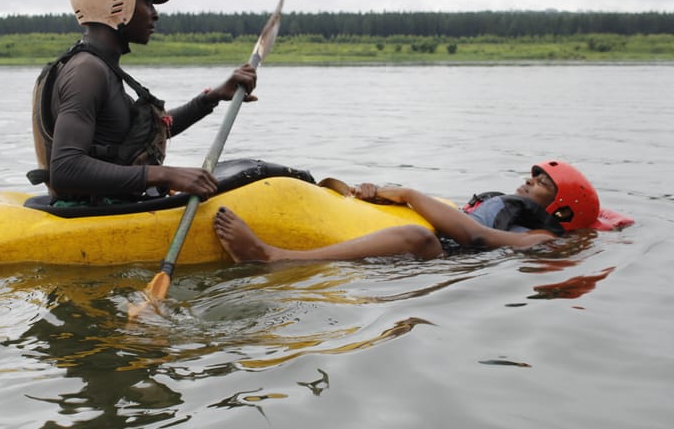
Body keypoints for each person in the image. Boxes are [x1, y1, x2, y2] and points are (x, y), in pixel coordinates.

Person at [30, 0, 257, 203]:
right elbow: (66, 169)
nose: (154, 14)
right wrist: (164, 175)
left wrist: (211, 98)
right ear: (118, 5)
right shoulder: (87, 71)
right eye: (147, 2)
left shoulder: (101, 66)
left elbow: (144, 136)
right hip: (95, 213)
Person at [213, 160, 615, 263]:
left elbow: (478, 238)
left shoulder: (544, 237)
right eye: (532, 175)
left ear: (561, 211)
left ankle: (273, 256)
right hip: (427, 241)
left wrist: (405, 192)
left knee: (419, 238)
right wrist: (374, 195)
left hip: (444, 260)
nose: (529, 181)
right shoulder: (494, 204)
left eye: (542, 183)